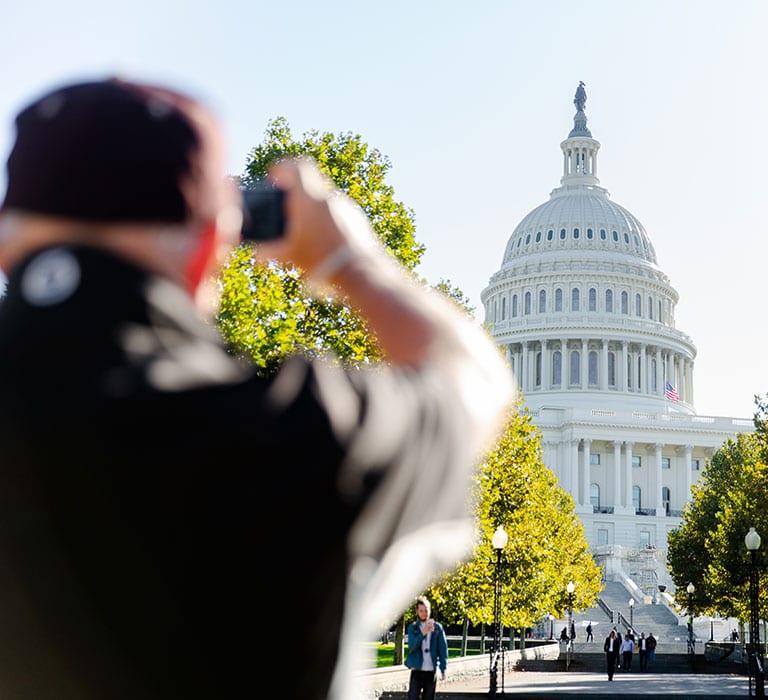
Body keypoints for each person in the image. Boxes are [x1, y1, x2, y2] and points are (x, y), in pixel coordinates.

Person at [0, 78, 515, 700]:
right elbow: (475, 383)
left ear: (7, 240)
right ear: (213, 241)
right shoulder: (292, 435)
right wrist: (352, 262)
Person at [405, 596, 448, 699]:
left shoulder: (437, 628)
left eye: (426, 610)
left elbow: (443, 649)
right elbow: (412, 647)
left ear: (430, 610)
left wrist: (443, 669)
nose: (424, 613)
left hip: (430, 671)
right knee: (413, 697)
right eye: (421, 611)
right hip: (417, 670)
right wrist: (422, 634)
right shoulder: (413, 628)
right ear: (417, 611)